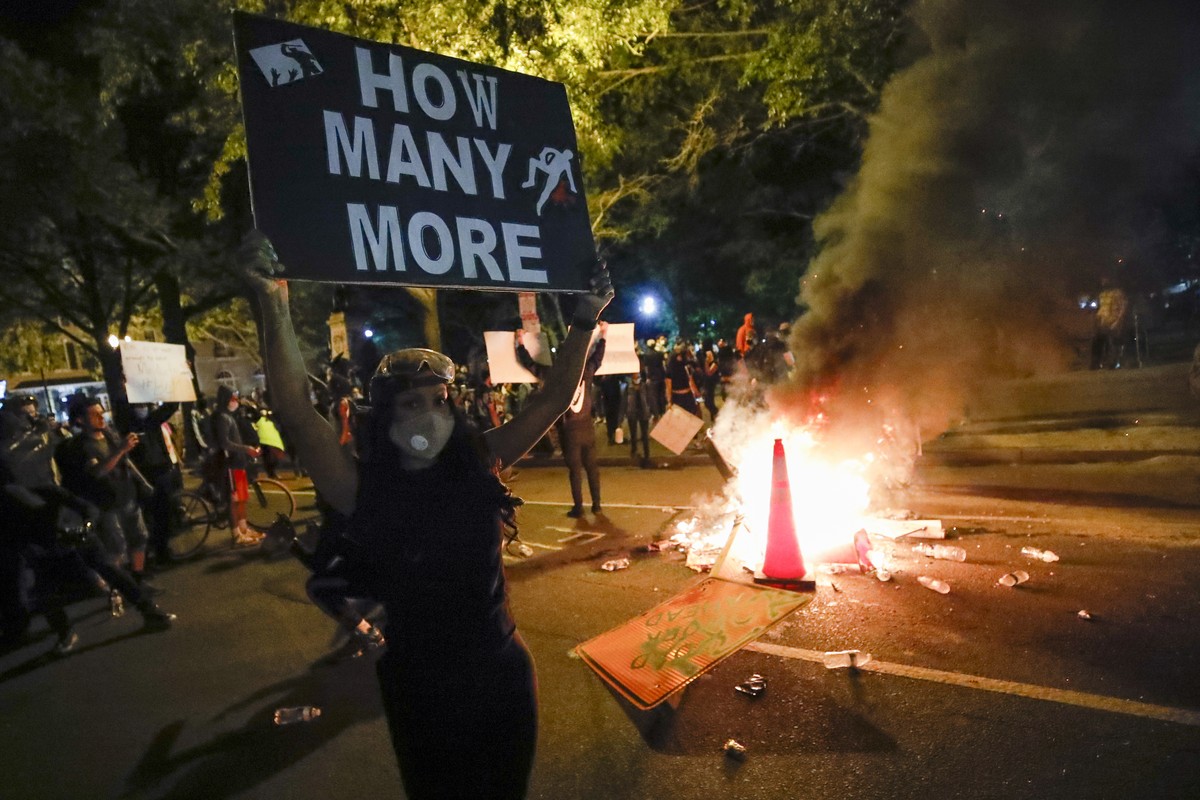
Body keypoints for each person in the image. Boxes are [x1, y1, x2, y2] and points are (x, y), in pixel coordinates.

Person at [237, 230, 612, 799]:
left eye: (440, 401)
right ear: (385, 416)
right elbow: (293, 409)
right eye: (413, 403)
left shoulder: (479, 462)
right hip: (420, 687)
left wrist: (586, 317)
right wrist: (272, 300)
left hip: (500, 673)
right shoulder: (360, 487)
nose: (430, 415)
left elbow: (552, 399)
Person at [55, 396, 154, 585]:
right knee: (116, 547)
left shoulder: (110, 435)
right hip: (107, 503)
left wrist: (142, 482)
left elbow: (125, 461)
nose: (102, 418)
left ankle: (138, 581)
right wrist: (120, 450)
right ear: (81, 420)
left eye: (102, 413)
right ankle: (116, 588)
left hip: (127, 496)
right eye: (95, 415)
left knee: (139, 538)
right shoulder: (83, 446)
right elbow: (98, 472)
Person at [558, 323, 607, 518]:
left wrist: (520, 344)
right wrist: (604, 335)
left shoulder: (559, 375)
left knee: (575, 471)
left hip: (570, 430)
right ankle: (597, 505)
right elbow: (598, 358)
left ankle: (578, 507)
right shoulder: (586, 370)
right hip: (587, 426)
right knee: (592, 469)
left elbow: (533, 367)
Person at [127, 403, 181, 566]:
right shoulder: (129, 424)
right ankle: (151, 554)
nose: (142, 408)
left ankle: (162, 550)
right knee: (150, 516)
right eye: (138, 405)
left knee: (164, 513)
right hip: (144, 476)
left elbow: (169, 408)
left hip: (162, 471)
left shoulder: (152, 421)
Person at [212, 386, 264, 546]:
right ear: (226, 399)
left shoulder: (228, 416)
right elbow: (225, 442)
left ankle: (244, 528)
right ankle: (236, 534)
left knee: (241, 499)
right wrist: (246, 449)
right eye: (233, 399)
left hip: (238, 463)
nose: (236, 402)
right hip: (230, 465)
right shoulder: (221, 417)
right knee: (234, 500)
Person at [1091, 276, 1130, 369]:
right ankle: (1096, 363)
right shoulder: (1102, 294)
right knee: (1098, 342)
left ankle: (1114, 363)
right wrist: (1098, 320)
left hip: (1113, 322)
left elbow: (1123, 308)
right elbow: (1101, 309)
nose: (1103, 282)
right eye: (1102, 281)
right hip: (1103, 323)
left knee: (1112, 343)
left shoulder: (1118, 293)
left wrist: (1117, 321)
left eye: (1105, 280)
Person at [623, 369, 653, 467]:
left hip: (643, 412)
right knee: (633, 434)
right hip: (632, 413)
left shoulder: (644, 386)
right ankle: (634, 452)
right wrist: (620, 419)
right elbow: (623, 403)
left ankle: (646, 454)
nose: (636, 377)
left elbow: (650, 398)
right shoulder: (628, 387)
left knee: (644, 435)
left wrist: (654, 413)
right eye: (635, 375)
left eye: (638, 375)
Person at [665, 341, 701, 419]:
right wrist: (669, 401)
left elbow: (691, 382)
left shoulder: (686, 368)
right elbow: (668, 387)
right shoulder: (671, 370)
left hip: (686, 396)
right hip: (679, 397)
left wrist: (697, 395)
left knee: (688, 419)